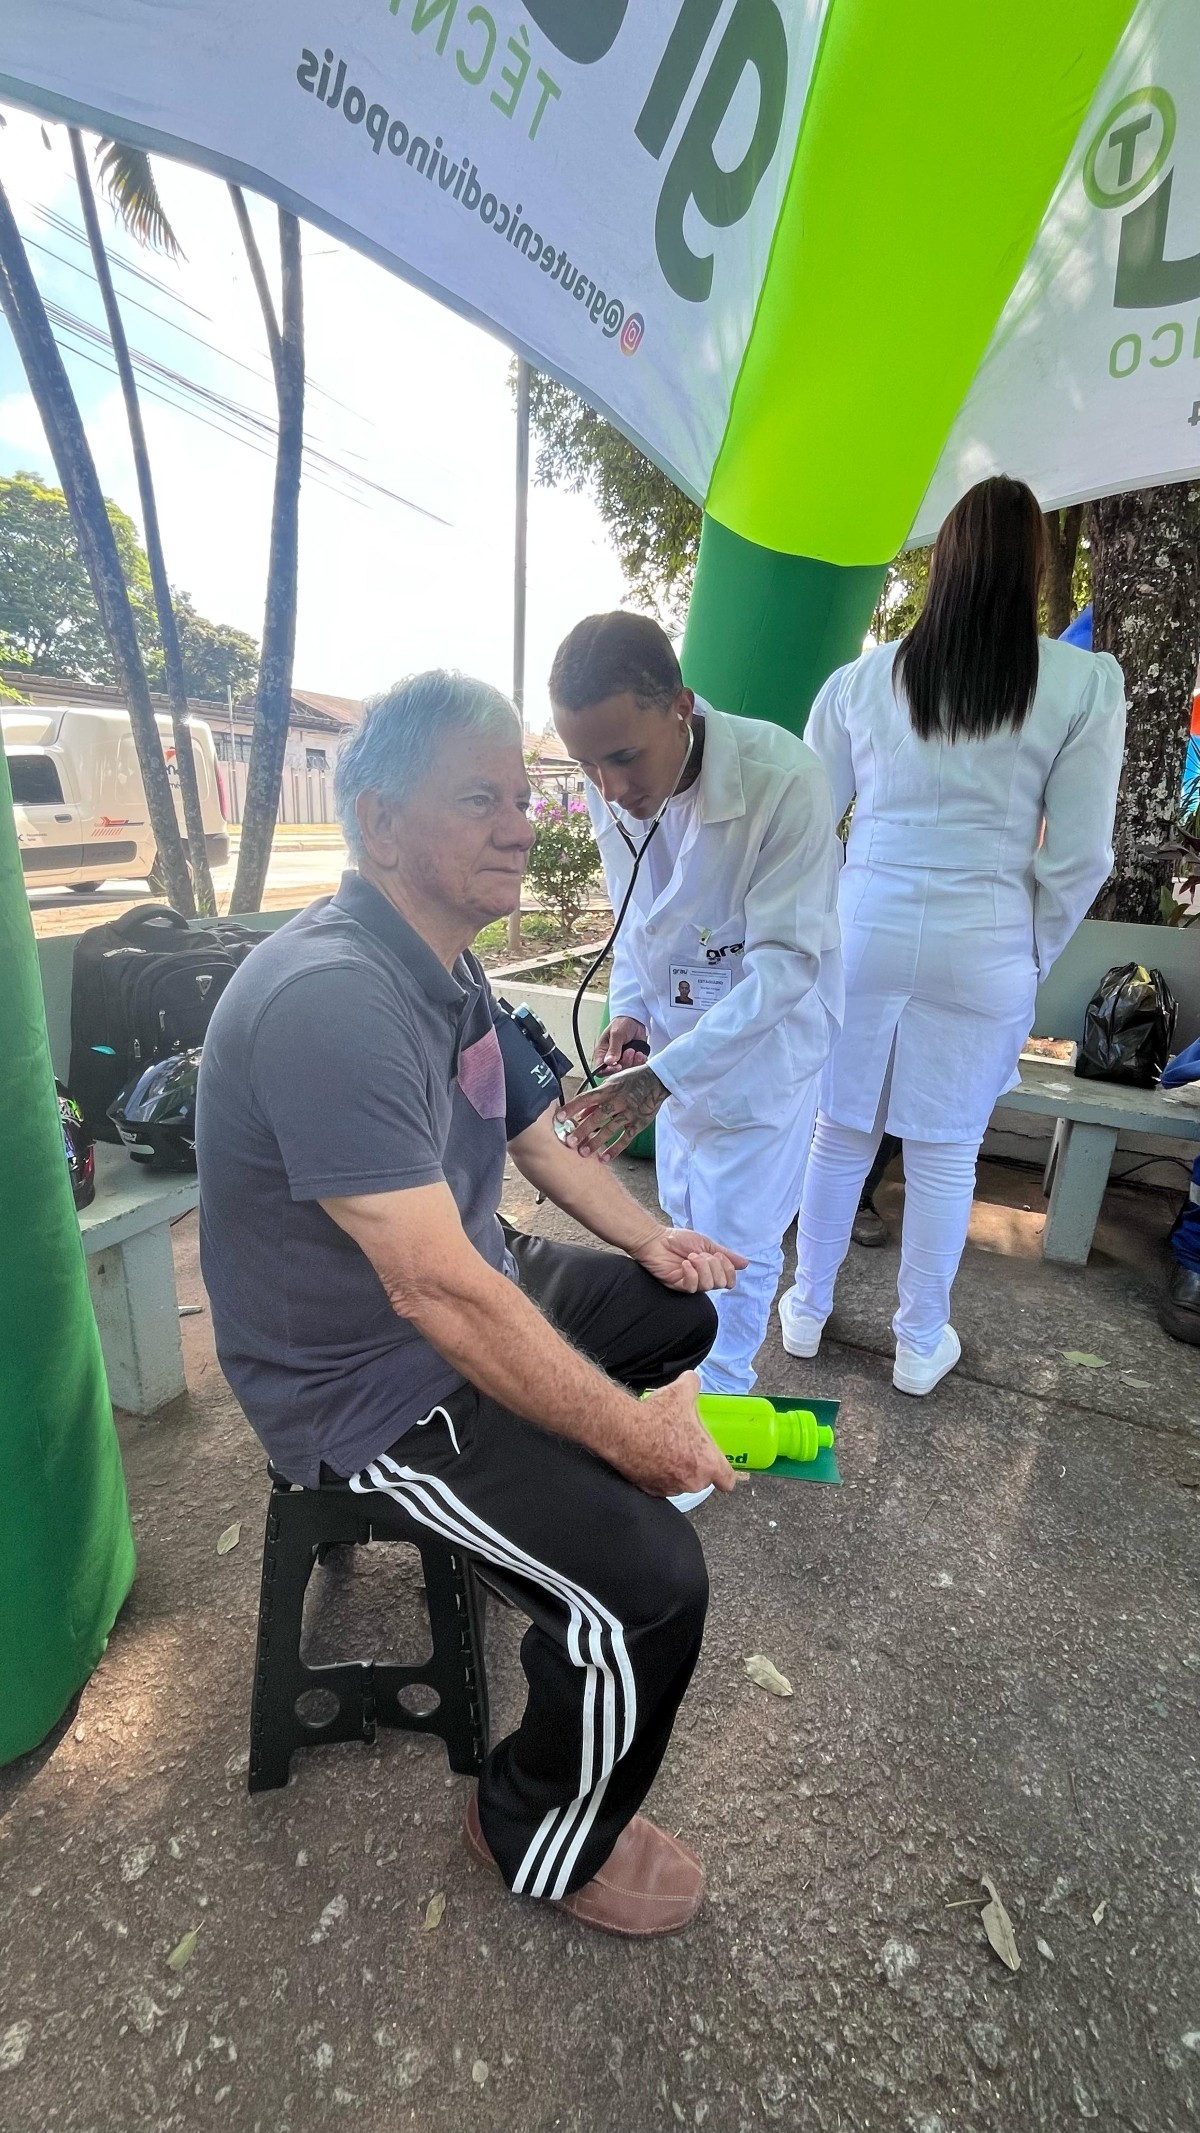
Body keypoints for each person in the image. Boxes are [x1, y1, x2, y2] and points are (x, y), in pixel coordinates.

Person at [196, 671, 750, 1940]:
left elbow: (546, 1138)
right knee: (655, 1587)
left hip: (467, 1283)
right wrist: (631, 1441)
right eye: (478, 799)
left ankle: (561, 1525)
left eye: (524, 795)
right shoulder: (334, 998)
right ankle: (534, 1830)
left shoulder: (449, 972)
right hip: (369, 1383)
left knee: (679, 1321)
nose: (522, 823)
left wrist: (655, 1238)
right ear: (384, 826)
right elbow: (429, 1288)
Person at [777, 476, 1126, 1395]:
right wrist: (1032, 948)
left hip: (868, 923)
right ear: (1032, 563)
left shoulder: (864, 678)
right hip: (988, 932)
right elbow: (1082, 853)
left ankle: (805, 1310)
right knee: (945, 1147)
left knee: (838, 1128)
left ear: (945, 561)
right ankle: (919, 1341)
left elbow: (810, 820)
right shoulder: (1083, 682)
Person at [549, 611, 843, 1403]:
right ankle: (683, 1386)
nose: (608, 787)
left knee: (734, 1249)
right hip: (674, 1058)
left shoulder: (785, 781)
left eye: (622, 757)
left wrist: (660, 1078)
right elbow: (636, 914)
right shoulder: (607, 781)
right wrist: (631, 1014)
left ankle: (717, 1413)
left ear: (680, 704)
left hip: (759, 1059)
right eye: (586, 763)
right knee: (679, 1231)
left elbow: (784, 971)